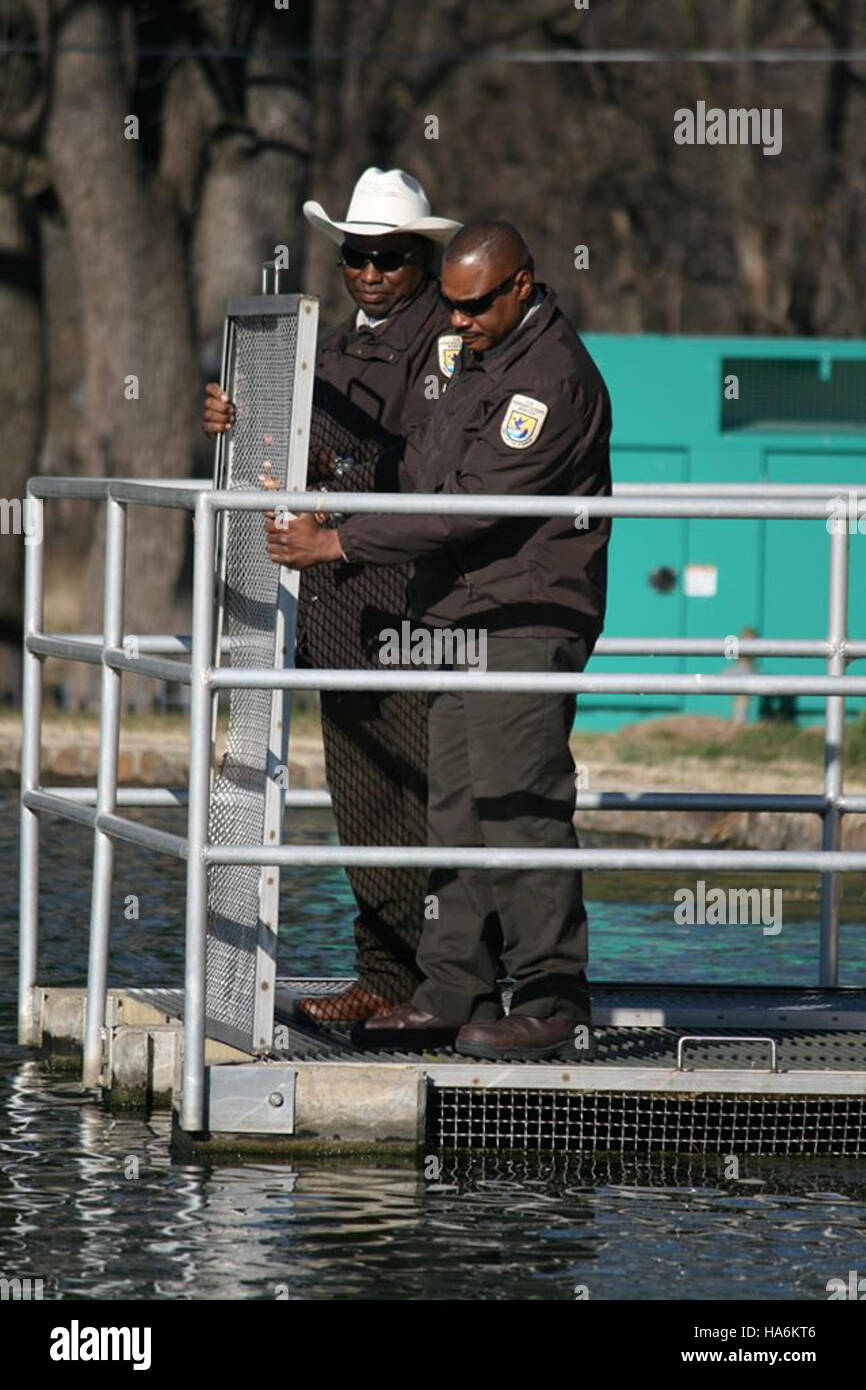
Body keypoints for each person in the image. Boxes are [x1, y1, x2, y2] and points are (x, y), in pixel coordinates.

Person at [266, 221, 611, 1062]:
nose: (455, 322)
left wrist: (338, 542)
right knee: (454, 814)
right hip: (455, 618)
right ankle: (452, 989)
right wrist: (318, 484)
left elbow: (469, 506)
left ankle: (552, 999)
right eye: (450, 307)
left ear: (522, 286)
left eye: (474, 306)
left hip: (524, 621)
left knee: (518, 808)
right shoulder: (475, 361)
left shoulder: (551, 380)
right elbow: (418, 470)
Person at [202, 168, 461, 1022]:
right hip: (336, 597)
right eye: (356, 256)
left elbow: (420, 471)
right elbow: (301, 454)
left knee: (420, 793)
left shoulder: (445, 346)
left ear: (421, 258)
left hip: (409, 601)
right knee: (362, 795)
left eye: (388, 257)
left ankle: (444, 985)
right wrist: (245, 421)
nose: (371, 272)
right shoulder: (332, 342)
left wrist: (330, 475)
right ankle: (382, 977)